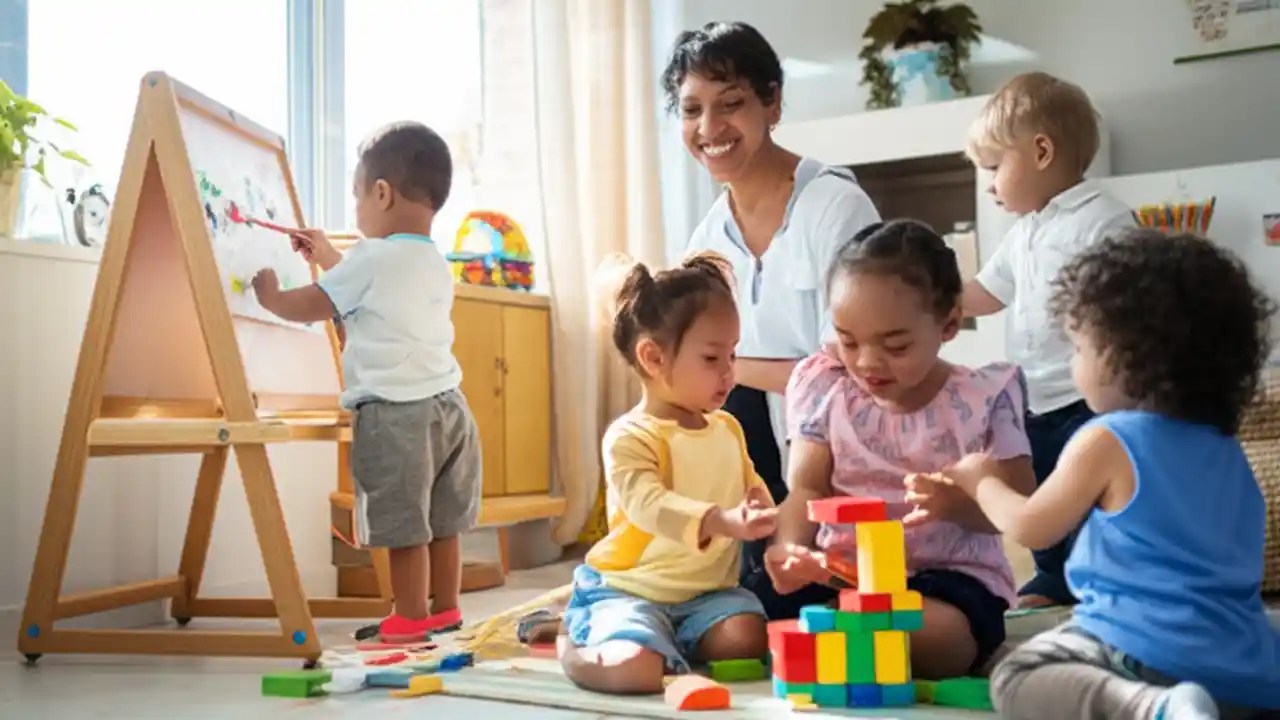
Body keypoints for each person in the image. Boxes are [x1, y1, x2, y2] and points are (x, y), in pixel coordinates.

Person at [929, 230, 1280, 719]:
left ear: (1125, 357)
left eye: (1077, 348)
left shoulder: (1109, 438)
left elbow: (1033, 525)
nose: (1074, 365)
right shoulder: (1227, 452)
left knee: (1015, 673)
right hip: (1245, 670)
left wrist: (980, 479)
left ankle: (1149, 709)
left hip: (1141, 653)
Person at [662, 20, 881, 599]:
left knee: (783, 610)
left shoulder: (835, 206)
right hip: (758, 454)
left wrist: (732, 367)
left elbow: (856, 368)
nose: (709, 129)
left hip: (840, 446)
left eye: (730, 104)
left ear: (772, 102)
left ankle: (771, 570)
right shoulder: (707, 238)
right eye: (691, 110)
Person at [763, 219, 1036, 678]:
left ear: (948, 323)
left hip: (945, 581)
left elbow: (1022, 504)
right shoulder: (826, 388)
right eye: (848, 341)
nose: (867, 362)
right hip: (841, 572)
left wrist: (957, 505)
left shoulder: (982, 397)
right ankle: (848, 635)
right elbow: (806, 490)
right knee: (753, 621)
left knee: (939, 640)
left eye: (896, 345)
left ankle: (850, 640)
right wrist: (791, 550)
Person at [252, 121, 481, 643]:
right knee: (443, 522)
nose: (355, 210)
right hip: (450, 410)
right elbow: (370, 291)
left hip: (396, 413)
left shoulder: (372, 258)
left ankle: (408, 618)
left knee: (404, 526)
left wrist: (272, 299)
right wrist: (327, 258)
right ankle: (444, 608)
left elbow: (321, 303)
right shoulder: (432, 260)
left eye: (357, 197)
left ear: (381, 193)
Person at [557, 252, 777, 695]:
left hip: (706, 593)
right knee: (634, 673)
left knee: (747, 643)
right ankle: (572, 645)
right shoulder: (630, 436)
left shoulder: (728, 428)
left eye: (733, 354)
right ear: (653, 357)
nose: (730, 373)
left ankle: (665, 641)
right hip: (630, 588)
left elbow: (752, 489)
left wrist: (768, 519)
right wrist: (719, 519)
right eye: (713, 358)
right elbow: (649, 506)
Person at [961, 71, 1138, 608]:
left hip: (1091, 397)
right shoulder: (1025, 232)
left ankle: (1098, 578)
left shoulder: (1102, 220)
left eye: (994, 167)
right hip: (1033, 395)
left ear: (1041, 152)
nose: (989, 184)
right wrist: (930, 297)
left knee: (1086, 495)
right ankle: (1054, 576)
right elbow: (987, 293)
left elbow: (1131, 306)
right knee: (1039, 480)